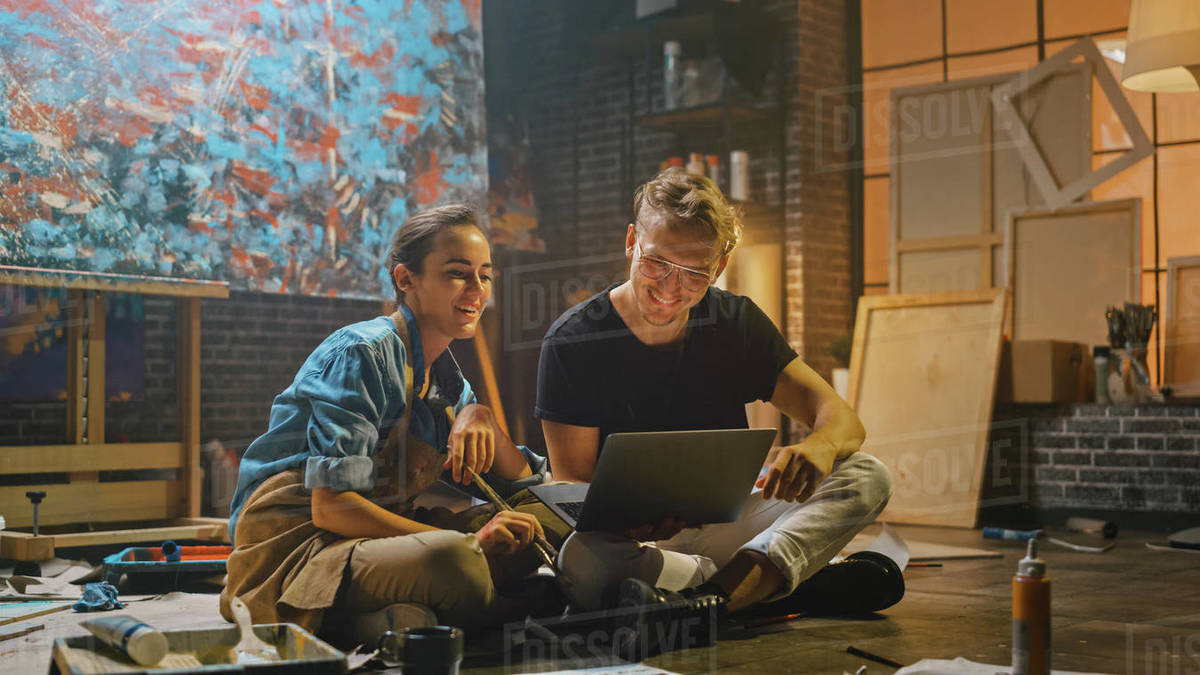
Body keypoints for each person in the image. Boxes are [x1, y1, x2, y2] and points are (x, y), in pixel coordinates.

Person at [535, 169, 900, 628]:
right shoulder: (574, 341)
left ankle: (702, 602)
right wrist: (637, 523)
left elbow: (841, 418)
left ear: (720, 267)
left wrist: (819, 447)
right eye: (656, 263)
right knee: (581, 563)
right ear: (632, 241)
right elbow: (575, 492)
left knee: (867, 474)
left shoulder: (735, 322)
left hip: (731, 525)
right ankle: (756, 587)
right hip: (644, 545)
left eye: (695, 274)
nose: (671, 289)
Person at [221, 204, 551, 643]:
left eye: (485, 275)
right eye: (458, 273)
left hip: (373, 541)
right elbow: (332, 507)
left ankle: (406, 622)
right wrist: (468, 543)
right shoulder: (363, 353)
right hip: (302, 549)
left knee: (540, 522)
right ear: (405, 279)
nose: (477, 290)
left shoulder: (448, 381)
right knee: (457, 559)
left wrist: (480, 417)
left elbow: (523, 482)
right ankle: (416, 621)